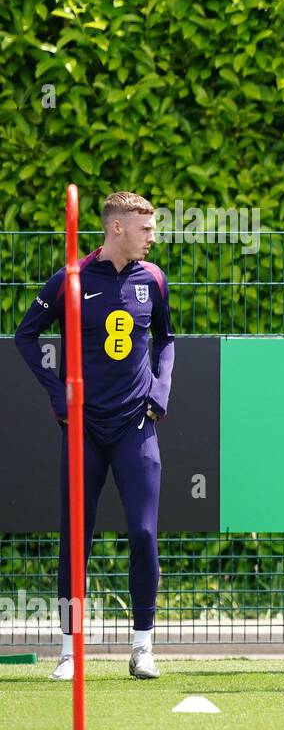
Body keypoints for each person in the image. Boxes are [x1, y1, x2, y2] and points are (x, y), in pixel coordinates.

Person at [15, 191, 175, 681]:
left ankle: (143, 647)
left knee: (143, 533)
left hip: (135, 427)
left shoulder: (154, 279)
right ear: (116, 228)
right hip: (83, 428)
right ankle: (69, 651)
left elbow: (166, 339)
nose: (152, 237)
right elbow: (26, 334)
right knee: (75, 539)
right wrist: (58, 393)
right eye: (145, 229)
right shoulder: (71, 278)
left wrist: (160, 390)